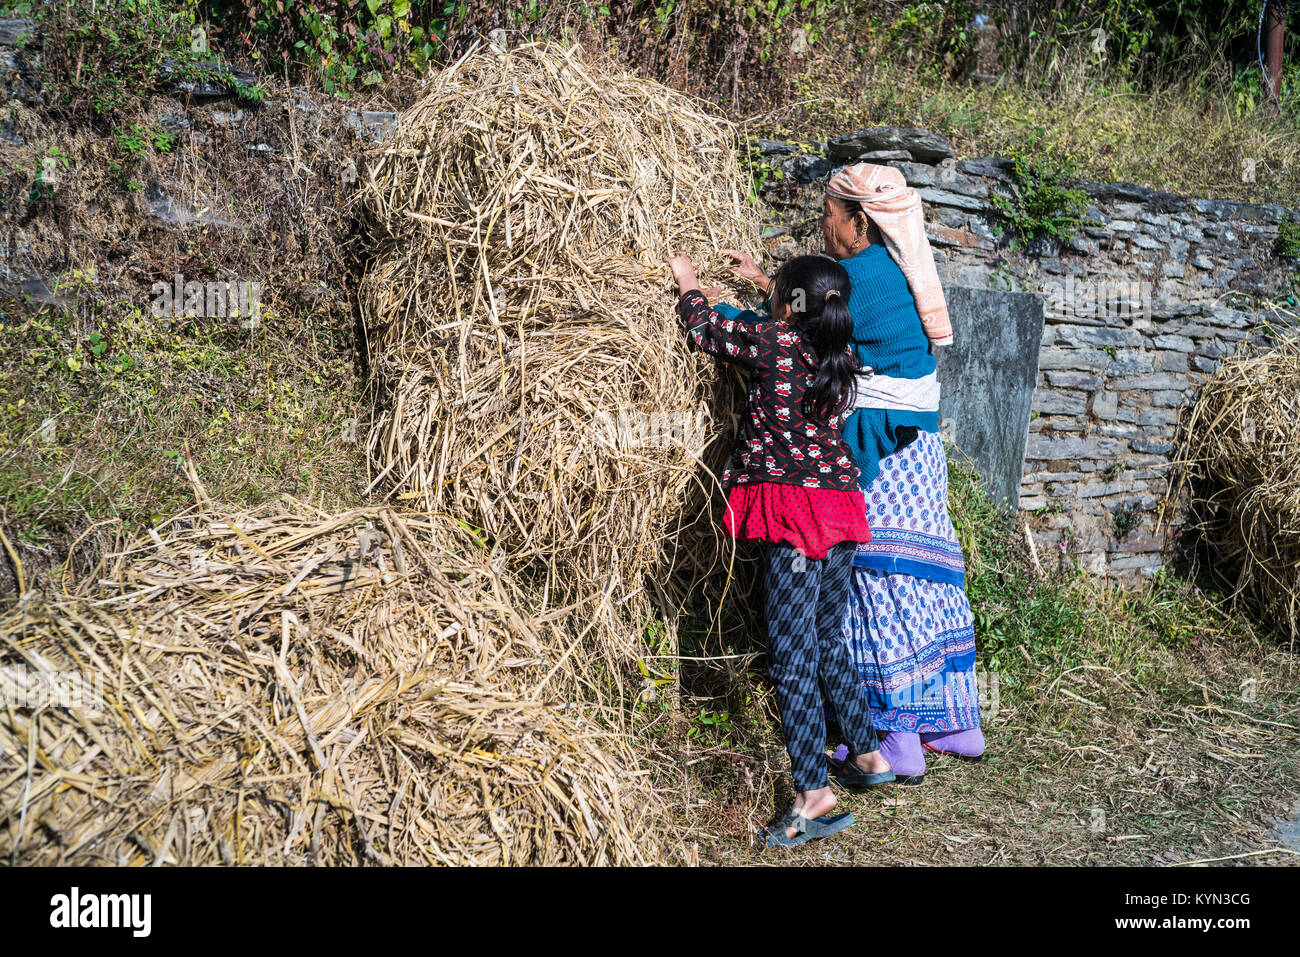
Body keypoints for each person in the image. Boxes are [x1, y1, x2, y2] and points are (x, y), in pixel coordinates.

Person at [719, 162, 984, 786]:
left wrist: (728, 304)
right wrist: (768, 278)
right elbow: (822, 316)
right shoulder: (884, 272)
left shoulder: (859, 276)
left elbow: (788, 337)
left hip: (880, 454)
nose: (823, 225)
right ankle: (953, 723)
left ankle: (897, 741)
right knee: (924, 582)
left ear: (858, 221)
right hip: (917, 450)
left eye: (830, 216)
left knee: (880, 584)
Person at [665, 251, 895, 847]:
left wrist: (689, 283)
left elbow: (708, 329)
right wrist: (770, 285)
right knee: (825, 637)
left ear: (789, 306)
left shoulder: (770, 340)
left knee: (792, 653)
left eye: (779, 297)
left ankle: (814, 794)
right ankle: (868, 753)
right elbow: (807, 313)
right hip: (842, 507)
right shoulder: (840, 350)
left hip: (794, 511)